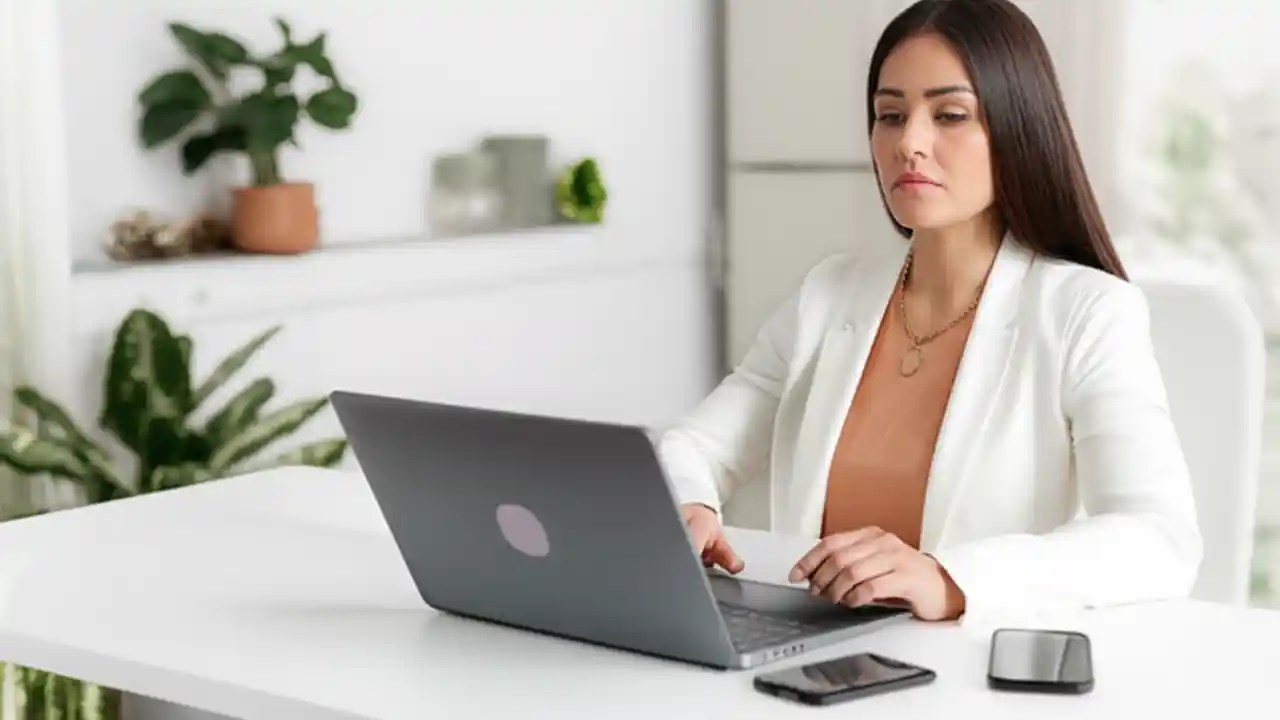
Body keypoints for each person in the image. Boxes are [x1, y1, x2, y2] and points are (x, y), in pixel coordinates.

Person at [659, 0, 1202, 622]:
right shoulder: (829, 293)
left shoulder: (1087, 312)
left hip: (973, 663)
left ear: (1018, 128)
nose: (909, 143)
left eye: (950, 115)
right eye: (890, 116)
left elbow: (1158, 538)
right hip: (814, 649)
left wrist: (949, 578)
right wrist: (690, 503)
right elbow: (694, 447)